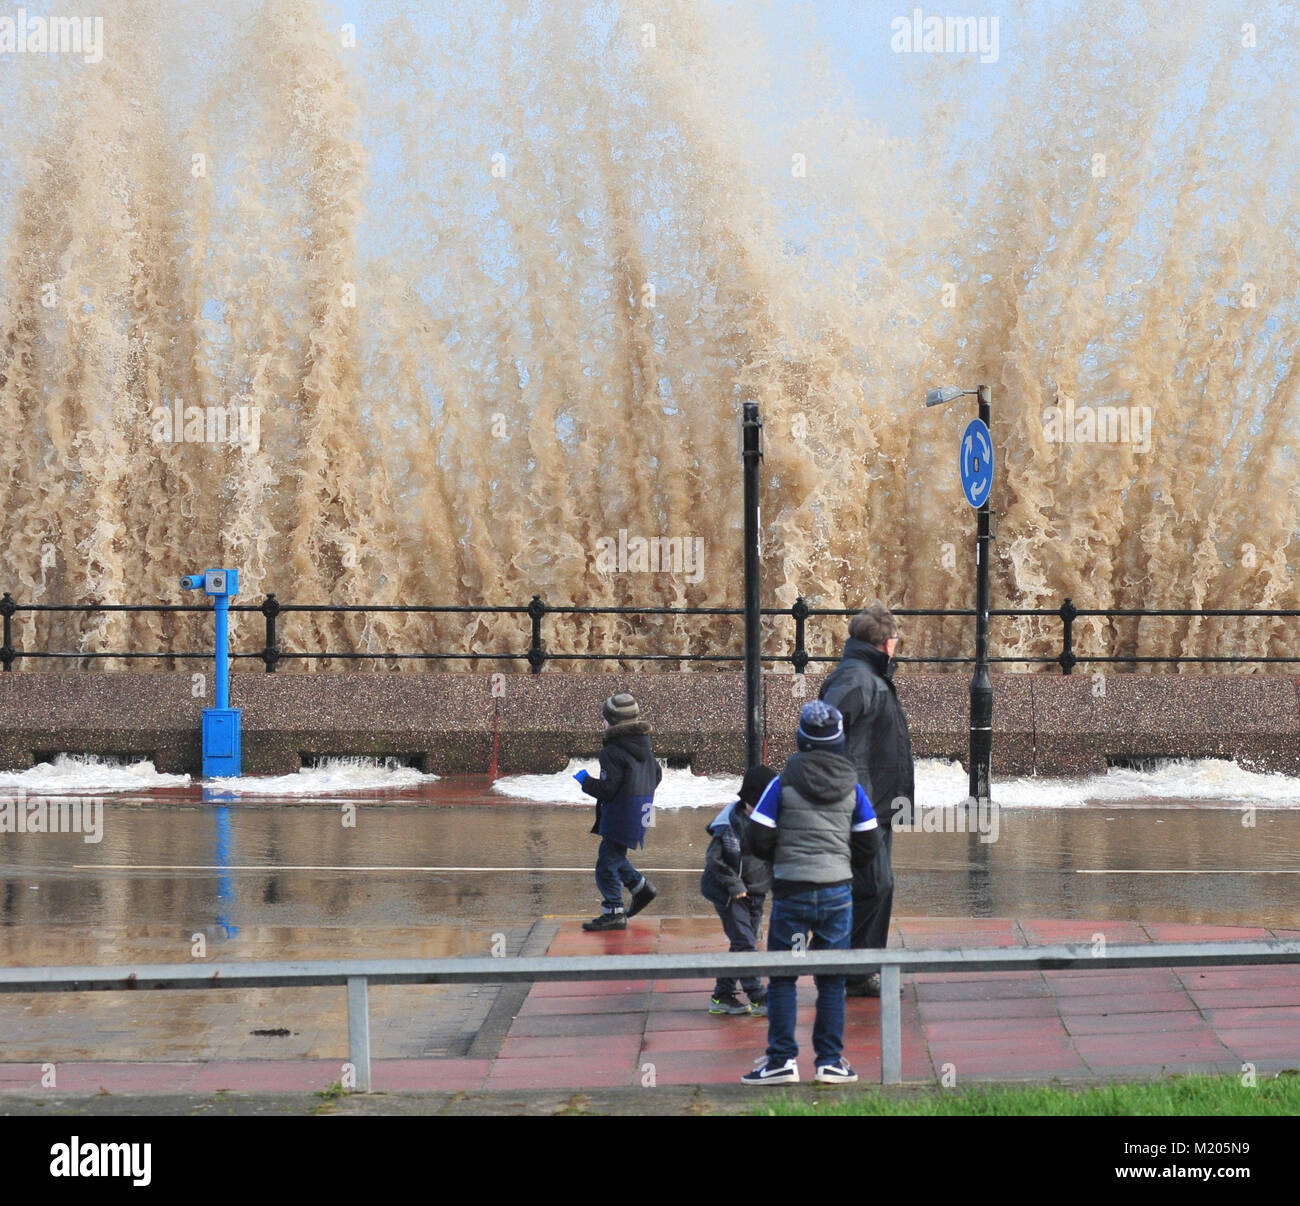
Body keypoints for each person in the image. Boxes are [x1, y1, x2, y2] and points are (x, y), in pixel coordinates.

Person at [740, 701, 879, 1085]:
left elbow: (757, 835)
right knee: (831, 977)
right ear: (839, 742)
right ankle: (830, 1061)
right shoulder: (852, 784)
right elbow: (869, 841)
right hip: (837, 893)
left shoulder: (782, 781)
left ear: (802, 739)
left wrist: (783, 858)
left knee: (784, 975)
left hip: (791, 893)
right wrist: (842, 863)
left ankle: (782, 1060)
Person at [818, 603, 915, 997]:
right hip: (861, 805)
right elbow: (821, 735)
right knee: (874, 885)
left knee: (870, 885)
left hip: (871, 802)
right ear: (887, 644)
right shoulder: (858, 681)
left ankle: (853, 968)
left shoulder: (863, 676)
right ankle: (855, 972)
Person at [574, 692, 661, 931]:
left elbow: (608, 789)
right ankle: (640, 888)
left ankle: (614, 911)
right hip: (641, 809)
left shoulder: (611, 751)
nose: (602, 724)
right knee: (614, 856)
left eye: (604, 719)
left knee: (605, 866)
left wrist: (585, 782)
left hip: (621, 813)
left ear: (612, 723)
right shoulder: (645, 746)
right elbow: (657, 775)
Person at [700, 763, 778, 1017]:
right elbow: (715, 860)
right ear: (745, 800)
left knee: (742, 942)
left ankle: (722, 995)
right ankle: (758, 995)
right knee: (745, 944)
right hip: (729, 893)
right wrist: (734, 885)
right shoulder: (730, 824)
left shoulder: (772, 820)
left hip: (756, 891)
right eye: (755, 805)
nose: (759, 811)